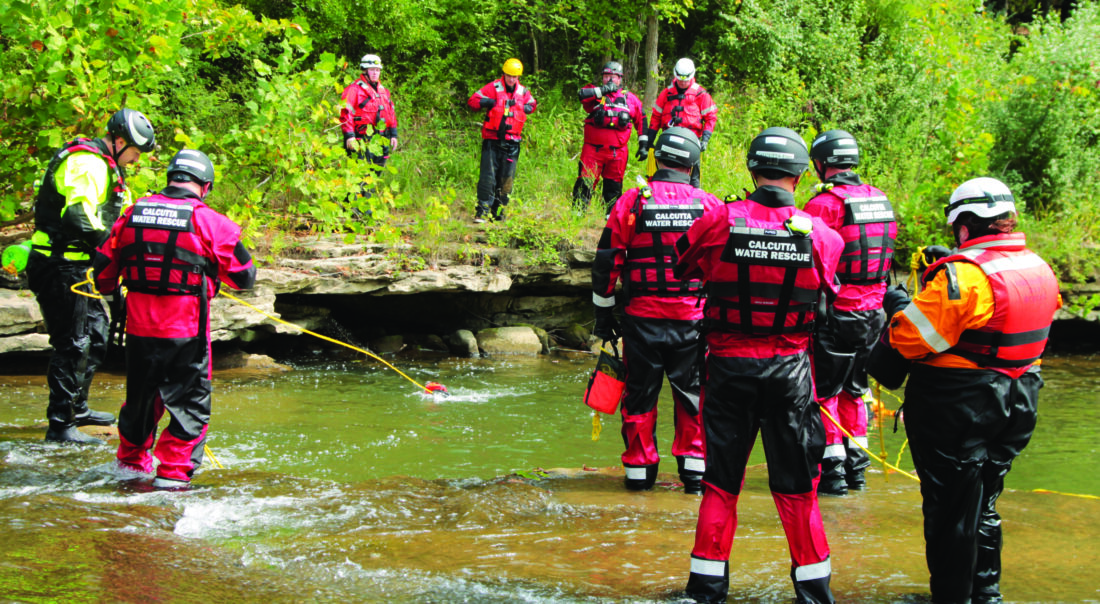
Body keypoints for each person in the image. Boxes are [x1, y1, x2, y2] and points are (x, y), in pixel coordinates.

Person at [675, 127, 843, 603]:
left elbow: (683, 266)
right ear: (801, 174)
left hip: (728, 369)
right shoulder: (824, 236)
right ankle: (814, 594)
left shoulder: (718, 220)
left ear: (752, 170)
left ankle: (705, 591)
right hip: (790, 373)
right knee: (798, 489)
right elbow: (832, 292)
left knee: (720, 483)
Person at [878, 177, 1061, 603]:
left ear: (964, 224)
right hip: (1020, 399)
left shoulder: (964, 276)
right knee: (985, 503)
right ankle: (986, 594)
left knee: (950, 513)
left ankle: (951, 597)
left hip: (960, 406)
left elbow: (910, 339)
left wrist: (900, 306)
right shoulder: (1037, 265)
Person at [93, 149, 257, 489]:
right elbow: (245, 277)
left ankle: (130, 469)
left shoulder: (131, 213)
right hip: (185, 332)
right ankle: (172, 478)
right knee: (189, 405)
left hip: (137, 331)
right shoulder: (211, 222)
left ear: (170, 178)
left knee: (140, 400)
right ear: (205, 186)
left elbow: (103, 273)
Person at [591, 127, 724, 495]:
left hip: (642, 321)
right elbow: (723, 266)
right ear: (693, 163)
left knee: (639, 395)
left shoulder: (634, 200)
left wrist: (604, 317)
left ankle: (638, 474)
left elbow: (606, 262)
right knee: (693, 393)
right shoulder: (709, 205)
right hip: (692, 321)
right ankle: (695, 477)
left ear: (658, 158)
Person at [26, 108, 156, 444]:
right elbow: (78, 219)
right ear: (120, 141)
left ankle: (77, 408)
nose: (135, 160)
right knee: (73, 343)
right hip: (58, 265)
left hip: (79, 266)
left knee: (97, 334)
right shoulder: (87, 163)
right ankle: (60, 425)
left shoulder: (105, 165)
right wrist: (118, 255)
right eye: (135, 153)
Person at [802, 130, 897, 495]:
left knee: (824, 391)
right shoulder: (880, 198)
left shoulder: (824, 205)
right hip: (874, 314)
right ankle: (858, 469)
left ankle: (833, 470)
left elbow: (811, 259)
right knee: (856, 392)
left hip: (837, 312)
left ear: (822, 164)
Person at [467, 58, 537, 223]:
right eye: (509, 75)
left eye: (515, 76)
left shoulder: (523, 92)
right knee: (488, 176)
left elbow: (532, 104)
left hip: (512, 143)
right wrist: (488, 102)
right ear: (503, 74)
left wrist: (525, 108)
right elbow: (473, 101)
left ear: (518, 76)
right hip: (492, 140)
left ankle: (498, 213)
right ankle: (482, 212)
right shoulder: (493, 88)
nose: (512, 79)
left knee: (507, 179)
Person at [573, 61, 645, 214]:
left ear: (620, 79)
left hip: (617, 153)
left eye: (613, 76)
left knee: (613, 186)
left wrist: (643, 143)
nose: (610, 80)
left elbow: (642, 119)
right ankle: (577, 215)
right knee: (585, 181)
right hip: (593, 150)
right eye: (606, 76)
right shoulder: (594, 93)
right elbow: (581, 95)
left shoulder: (629, 99)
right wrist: (603, 90)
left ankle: (611, 218)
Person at [637, 58, 716, 188]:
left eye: (685, 80)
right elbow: (656, 117)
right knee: (662, 174)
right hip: (669, 139)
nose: (682, 82)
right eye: (680, 79)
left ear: (692, 76)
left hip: (691, 141)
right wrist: (649, 142)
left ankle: (694, 201)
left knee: (693, 178)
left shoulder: (701, 95)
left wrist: (705, 139)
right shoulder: (666, 94)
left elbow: (711, 117)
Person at [340, 54, 399, 167]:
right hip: (361, 139)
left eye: (377, 70)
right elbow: (346, 113)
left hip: (381, 139)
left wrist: (393, 134)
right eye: (372, 70)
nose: (375, 73)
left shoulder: (384, 92)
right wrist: (350, 135)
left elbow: (390, 113)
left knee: (375, 175)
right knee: (360, 177)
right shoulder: (354, 90)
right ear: (365, 70)